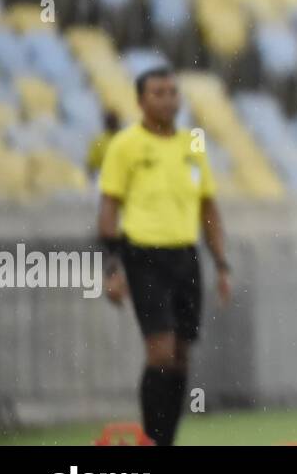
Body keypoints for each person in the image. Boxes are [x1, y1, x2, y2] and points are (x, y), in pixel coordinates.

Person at [98, 67, 231, 446]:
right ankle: (151, 439)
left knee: (181, 357)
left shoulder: (193, 144)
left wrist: (221, 263)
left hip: (185, 257)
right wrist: (112, 267)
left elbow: (208, 207)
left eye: (173, 92)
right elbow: (108, 208)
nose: (168, 98)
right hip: (144, 256)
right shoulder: (125, 145)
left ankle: (164, 440)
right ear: (141, 101)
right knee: (160, 352)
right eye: (158, 92)